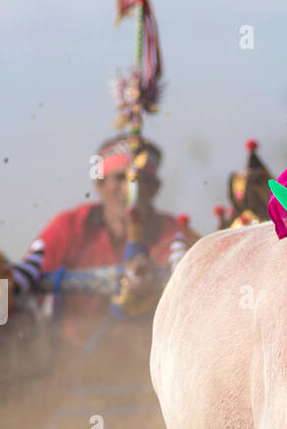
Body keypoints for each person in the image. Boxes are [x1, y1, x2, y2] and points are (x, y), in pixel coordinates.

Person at [22, 133, 184, 349]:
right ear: (100, 185)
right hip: (71, 363)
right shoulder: (69, 227)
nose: (130, 189)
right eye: (120, 178)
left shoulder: (175, 235)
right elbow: (25, 286)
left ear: (155, 189)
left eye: (141, 180)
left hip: (154, 362)